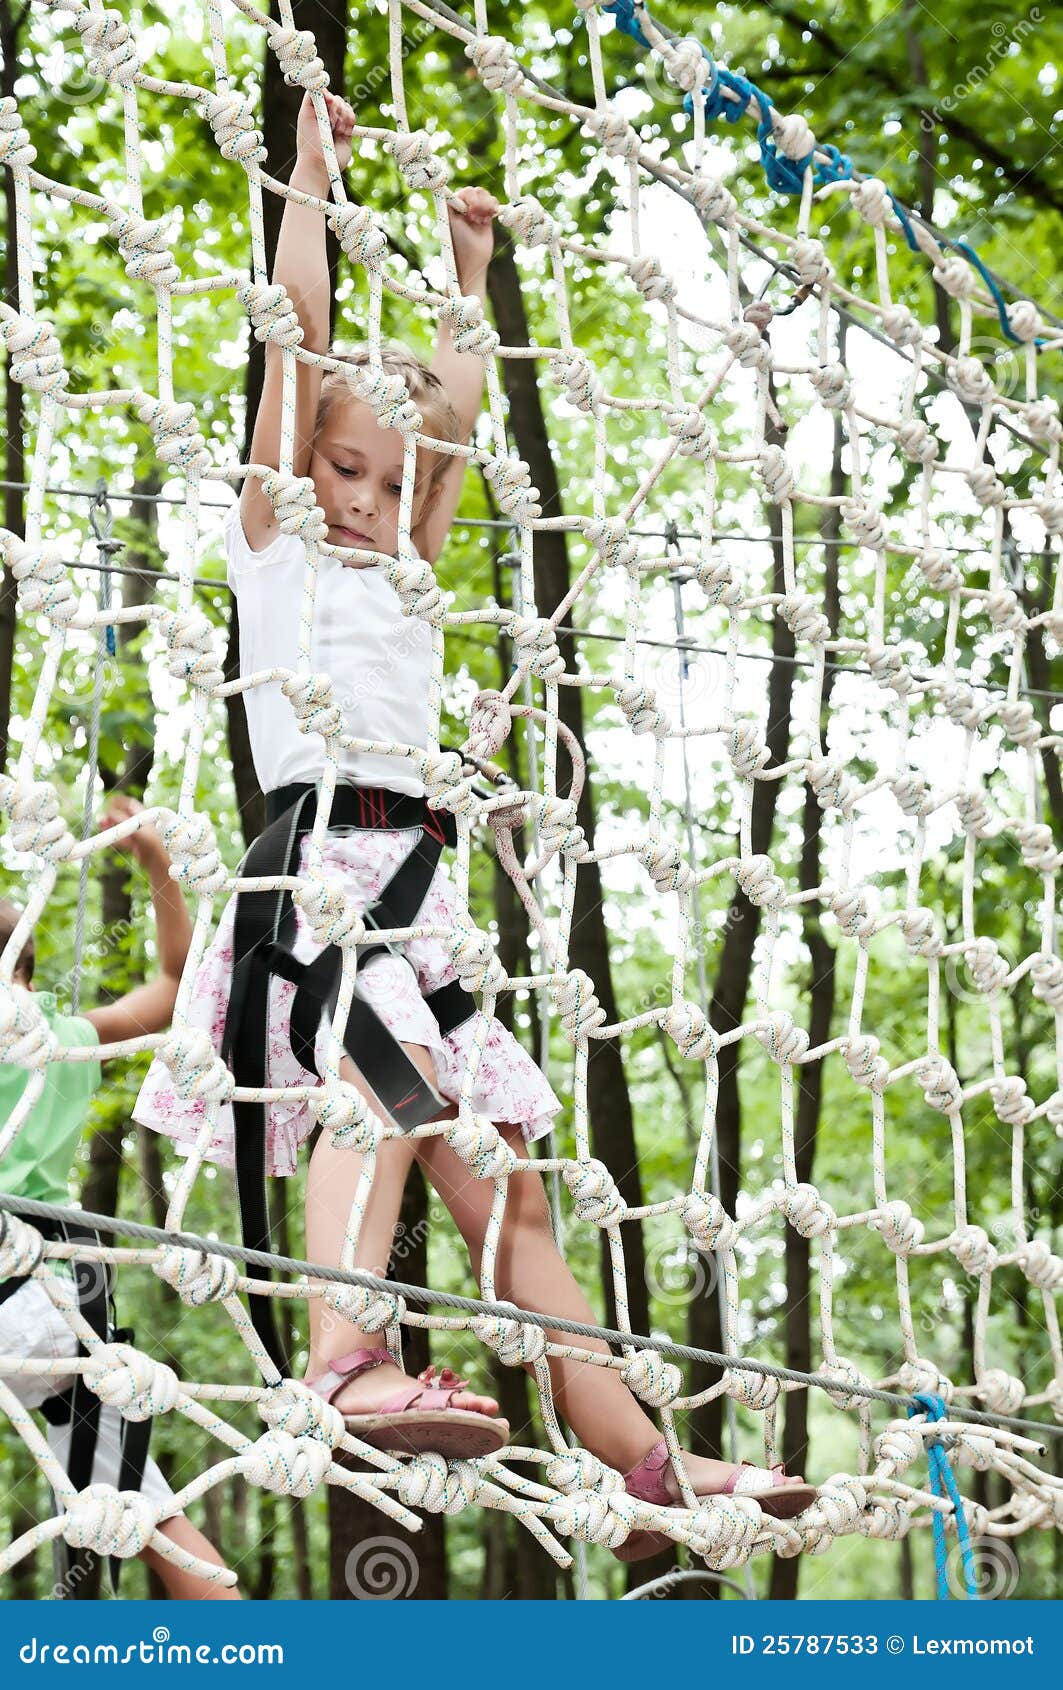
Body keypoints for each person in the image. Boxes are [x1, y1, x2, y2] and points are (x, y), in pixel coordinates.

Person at [133, 92, 817, 1556]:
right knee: (361, 1090)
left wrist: (467, 277)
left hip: (418, 898)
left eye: (391, 482)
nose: (374, 498)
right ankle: (340, 1353)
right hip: (316, 879)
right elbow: (293, 329)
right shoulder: (272, 546)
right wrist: (307, 182)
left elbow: (445, 414)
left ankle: (643, 1464)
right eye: (345, 468)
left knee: (509, 1198)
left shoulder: (406, 571)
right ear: (298, 465)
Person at [0, 796, 239, 1597]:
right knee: (141, 1509)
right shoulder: (63, 1039)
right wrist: (155, 862)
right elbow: (175, 982)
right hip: (63, 1310)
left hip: (11, 1278)